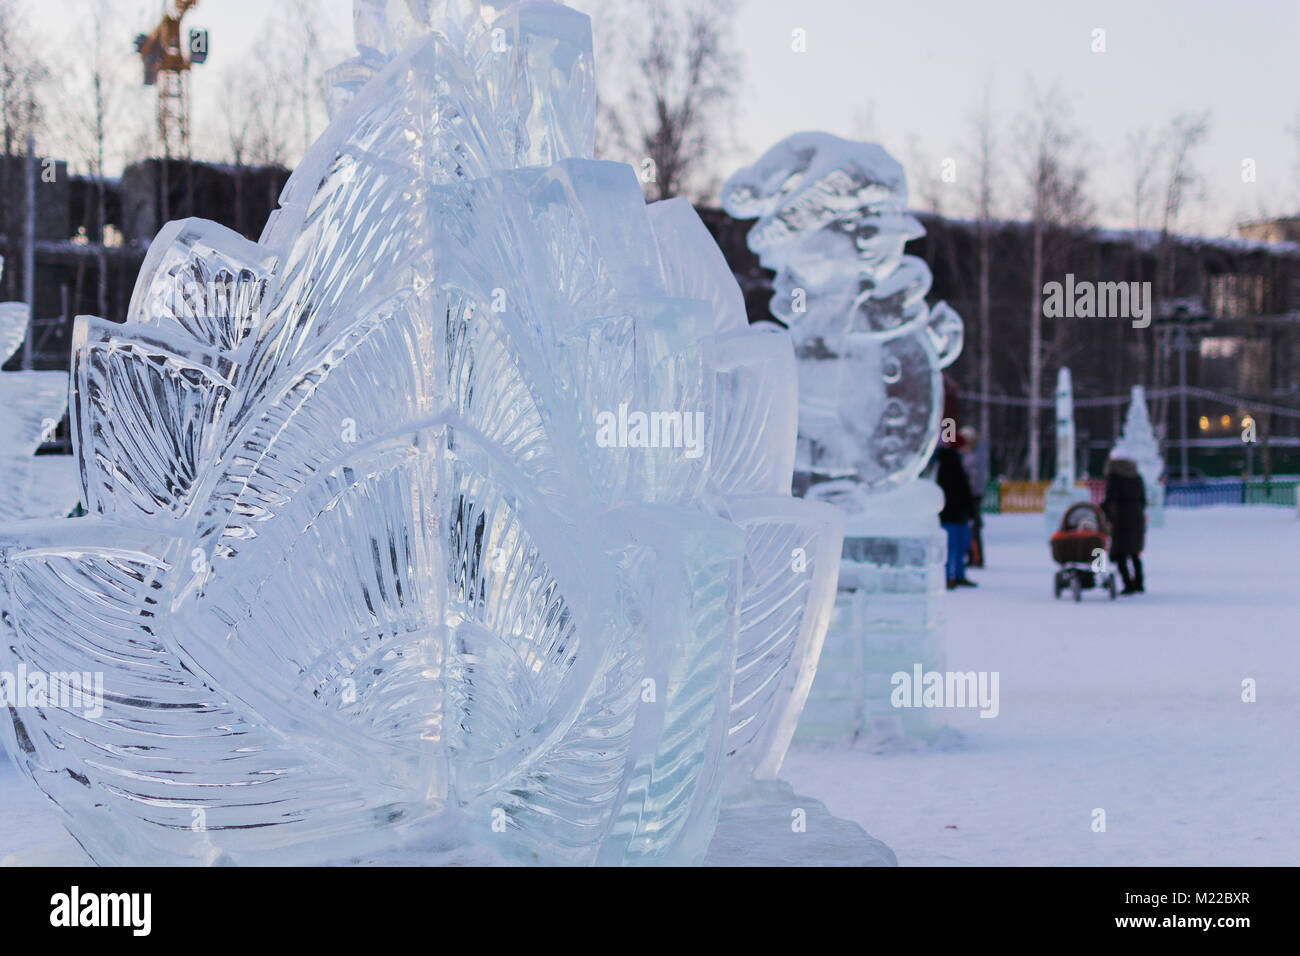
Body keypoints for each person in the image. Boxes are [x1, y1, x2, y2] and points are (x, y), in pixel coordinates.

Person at [1101, 455, 1146, 594]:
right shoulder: (1137, 477)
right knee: (1134, 552)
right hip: (1136, 516)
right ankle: (1139, 582)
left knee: (1120, 553)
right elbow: (1143, 499)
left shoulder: (1115, 478)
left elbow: (1110, 498)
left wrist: (1105, 512)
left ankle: (1128, 584)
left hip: (1121, 518)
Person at [936, 439, 977, 589]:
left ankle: (958, 575)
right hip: (952, 513)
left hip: (959, 513)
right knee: (951, 547)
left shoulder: (955, 462)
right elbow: (958, 490)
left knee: (959, 546)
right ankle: (948, 577)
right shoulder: (950, 464)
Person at [959, 426, 989, 568]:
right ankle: (972, 555)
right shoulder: (973, 452)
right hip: (971, 493)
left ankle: (976, 557)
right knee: (970, 526)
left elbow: (974, 473)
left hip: (973, 494)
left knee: (973, 526)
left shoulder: (976, 453)